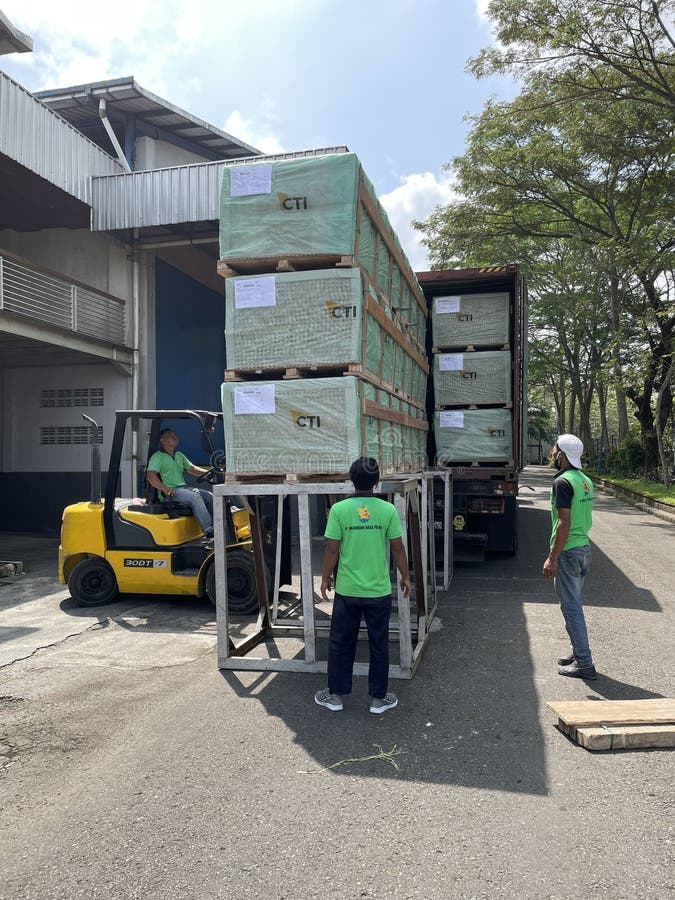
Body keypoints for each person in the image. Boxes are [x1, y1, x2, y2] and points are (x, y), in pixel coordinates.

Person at [314, 457, 411, 714]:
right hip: (378, 591)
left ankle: (335, 695)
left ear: (351, 479)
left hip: (347, 591)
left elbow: (332, 549)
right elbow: (398, 547)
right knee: (379, 643)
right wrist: (406, 576)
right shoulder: (387, 510)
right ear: (377, 481)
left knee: (341, 642)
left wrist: (325, 578)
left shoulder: (339, 510)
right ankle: (378, 699)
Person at [543, 433, 596, 679]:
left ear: (562, 455)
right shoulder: (584, 480)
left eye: (555, 450)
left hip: (569, 551)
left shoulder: (562, 482)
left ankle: (585, 663)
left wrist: (552, 557)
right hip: (583, 548)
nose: (553, 453)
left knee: (571, 608)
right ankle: (578, 651)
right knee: (572, 605)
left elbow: (564, 523)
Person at [146, 428, 214, 539]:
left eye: (174, 434)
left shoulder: (179, 455)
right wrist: (164, 488)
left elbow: (192, 469)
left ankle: (219, 527)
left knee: (209, 496)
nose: (174, 436)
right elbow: (151, 476)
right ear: (162, 441)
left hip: (182, 489)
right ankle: (209, 531)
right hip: (170, 493)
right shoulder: (157, 457)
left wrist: (210, 472)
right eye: (170, 435)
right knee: (195, 497)